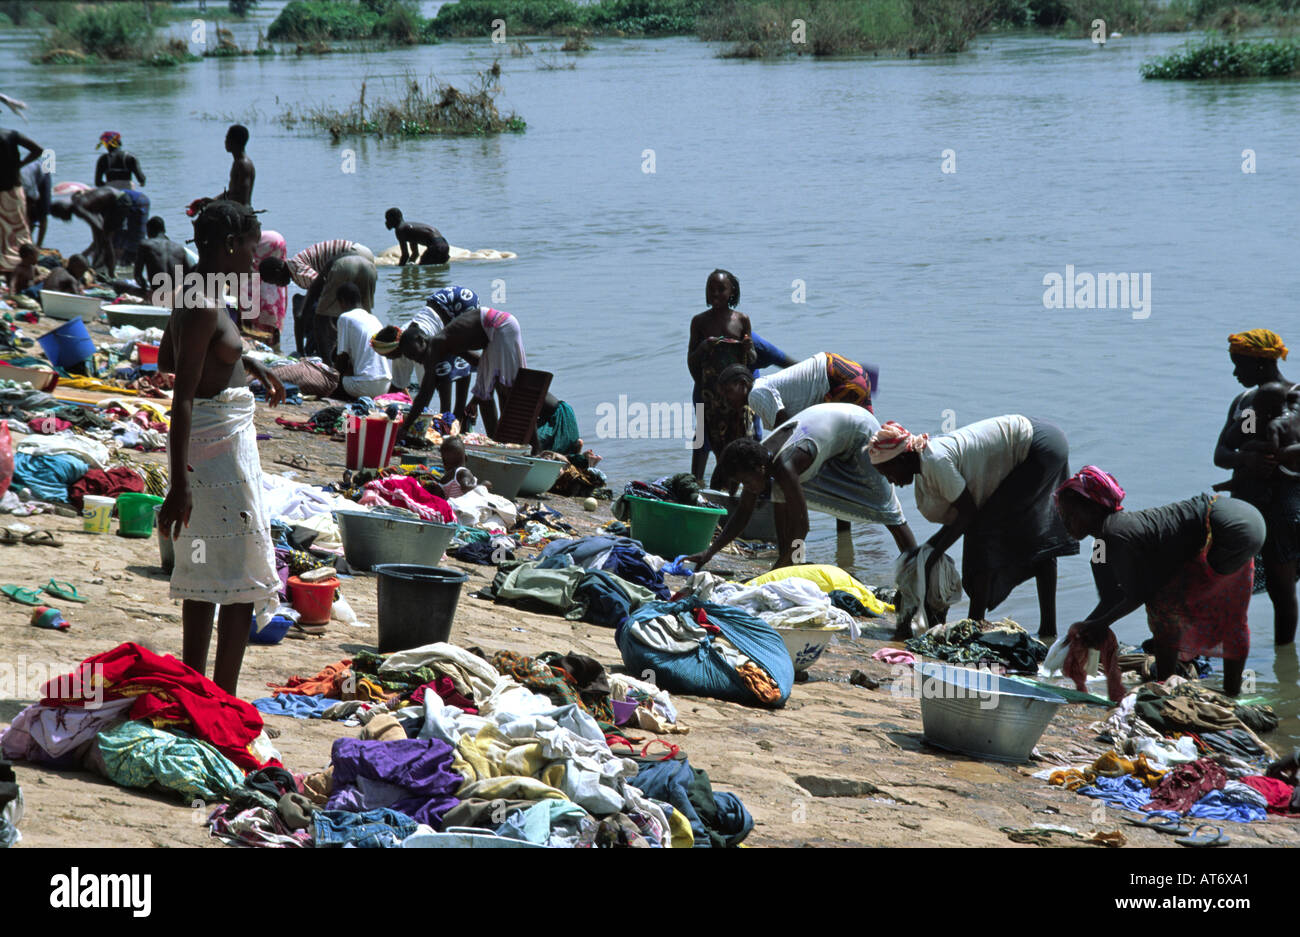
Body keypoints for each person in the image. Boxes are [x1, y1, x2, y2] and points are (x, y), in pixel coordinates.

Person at [155, 199, 284, 697]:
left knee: (208, 570)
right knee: (240, 579)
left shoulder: (196, 289)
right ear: (230, 244)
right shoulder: (204, 301)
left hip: (217, 444)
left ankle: (195, 691)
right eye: (252, 246)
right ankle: (222, 698)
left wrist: (248, 364)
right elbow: (181, 397)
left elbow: (172, 354)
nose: (256, 257)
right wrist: (177, 486)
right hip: (216, 453)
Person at [1055, 466, 1263, 696]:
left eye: (1071, 515)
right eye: (1062, 517)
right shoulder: (1102, 545)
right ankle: (1232, 692)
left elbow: (1138, 594)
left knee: (1164, 604)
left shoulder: (1115, 533)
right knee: (1229, 614)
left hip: (1225, 529)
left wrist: (1099, 625)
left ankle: (1165, 684)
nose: (1065, 523)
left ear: (1094, 508)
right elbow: (1110, 597)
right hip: (1243, 521)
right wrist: (1082, 630)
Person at [869, 414, 1078, 637]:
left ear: (901, 459)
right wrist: (927, 551)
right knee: (1011, 534)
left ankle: (975, 625)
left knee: (987, 532)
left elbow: (968, 514)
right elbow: (963, 515)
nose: (891, 481)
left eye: (888, 472)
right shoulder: (923, 463)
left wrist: (933, 555)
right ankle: (1043, 630)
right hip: (1040, 438)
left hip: (1038, 447)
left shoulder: (935, 461)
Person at [687, 403, 917, 572]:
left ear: (758, 469)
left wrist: (777, 568)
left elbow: (802, 525)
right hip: (828, 432)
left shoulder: (784, 467)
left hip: (858, 429)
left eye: (747, 482)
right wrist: (709, 552)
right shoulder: (757, 459)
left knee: (886, 509)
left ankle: (916, 565)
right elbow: (743, 513)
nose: (748, 488)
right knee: (778, 492)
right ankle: (792, 563)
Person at [1214, 328, 1300, 646]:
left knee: (1282, 586)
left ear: (1260, 364)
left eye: (1240, 365)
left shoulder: (1292, 398)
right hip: (1246, 504)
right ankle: (1239, 654)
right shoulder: (1247, 404)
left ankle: (1283, 659)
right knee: (1234, 583)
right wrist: (1246, 460)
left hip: (1282, 507)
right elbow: (1222, 454)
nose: (1236, 373)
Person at [393, 304, 525, 442]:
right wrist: (480, 390)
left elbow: (425, 394)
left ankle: (523, 444)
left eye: (415, 353)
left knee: (509, 393)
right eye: (412, 358)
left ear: (422, 340)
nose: (418, 360)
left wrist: (404, 428)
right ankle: (497, 441)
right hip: (497, 328)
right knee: (485, 393)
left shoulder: (436, 345)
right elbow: (477, 361)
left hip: (500, 326)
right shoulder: (447, 343)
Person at [259, 239, 375, 356]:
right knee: (362, 313)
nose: (278, 285)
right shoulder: (297, 263)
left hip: (349, 257)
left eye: (274, 281)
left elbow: (320, 282)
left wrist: (303, 312)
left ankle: (326, 360)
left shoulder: (296, 270)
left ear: (278, 271)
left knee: (321, 317)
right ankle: (363, 352)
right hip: (364, 258)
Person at [743, 352, 878, 429]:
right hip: (848, 369)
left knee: (833, 442)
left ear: (741, 383)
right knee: (871, 430)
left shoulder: (755, 393)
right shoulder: (764, 383)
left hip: (841, 380)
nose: (726, 398)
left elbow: (786, 430)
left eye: (727, 391)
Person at [48, 186, 129, 274]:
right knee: (103, 239)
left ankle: (111, 273)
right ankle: (100, 266)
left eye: (60, 217)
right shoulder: (77, 201)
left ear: (62, 211)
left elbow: (98, 227)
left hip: (120, 200)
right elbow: (98, 225)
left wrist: (96, 248)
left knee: (106, 240)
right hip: (115, 198)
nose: (62, 219)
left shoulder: (78, 208)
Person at [333, 282, 392, 400]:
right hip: (385, 385)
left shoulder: (345, 317)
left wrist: (333, 382)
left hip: (364, 386)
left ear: (342, 301)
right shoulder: (373, 318)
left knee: (336, 382)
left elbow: (342, 358)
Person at [0, 126, 41, 272]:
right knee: (20, 229)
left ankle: (6, 265)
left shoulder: (11, 134)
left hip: (6, 190)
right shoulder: (11, 134)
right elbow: (38, 149)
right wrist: (19, 165)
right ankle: (25, 263)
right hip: (14, 189)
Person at [134, 216, 192, 293]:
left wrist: (145, 289)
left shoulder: (145, 245)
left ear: (148, 232)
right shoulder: (179, 248)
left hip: (159, 294)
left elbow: (138, 275)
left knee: (119, 285)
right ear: (164, 230)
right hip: (180, 293)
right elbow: (190, 275)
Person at [385, 207, 449, 265]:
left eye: (387, 219)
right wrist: (410, 264)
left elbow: (405, 255)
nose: (386, 222)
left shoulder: (400, 229)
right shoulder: (408, 229)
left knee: (426, 270)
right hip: (444, 245)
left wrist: (400, 270)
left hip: (436, 246)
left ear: (394, 219)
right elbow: (415, 254)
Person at [221, 124, 255, 206]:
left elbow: (241, 197)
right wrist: (208, 201)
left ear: (234, 141)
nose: (225, 141)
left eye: (227, 138)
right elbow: (233, 192)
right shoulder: (237, 162)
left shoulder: (243, 164)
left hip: (242, 212)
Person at [20, 158, 51, 248]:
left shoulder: (26, 183)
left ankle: (39, 245)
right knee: (28, 216)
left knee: (42, 213)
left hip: (43, 172)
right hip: (30, 175)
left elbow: (35, 197)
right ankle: (28, 242)